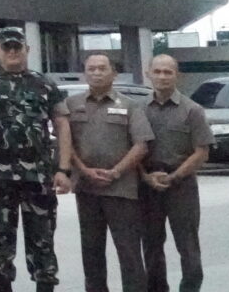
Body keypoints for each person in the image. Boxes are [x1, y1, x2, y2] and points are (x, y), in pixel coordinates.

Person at [0, 26, 74, 292]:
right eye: (6, 47)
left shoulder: (45, 84)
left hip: (38, 179)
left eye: (17, 47)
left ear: (27, 50)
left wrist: (63, 169)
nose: (12, 52)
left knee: (43, 246)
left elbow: (62, 125)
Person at [68, 53, 153, 292]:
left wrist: (115, 172)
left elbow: (142, 145)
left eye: (102, 68)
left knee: (129, 252)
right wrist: (83, 170)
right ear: (85, 73)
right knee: (91, 251)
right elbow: (66, 142)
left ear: (113, 73)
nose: (96, 73)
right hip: (87, 190)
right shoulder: (72, 105)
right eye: (91, 68)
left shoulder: (130, 105)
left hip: (122, 190)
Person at [139, 54, 213, 292]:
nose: (162, 77)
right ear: (148, 73)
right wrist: (145, 176)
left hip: (181, 185)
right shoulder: (139, 110)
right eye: (157, 71)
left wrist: (175, 177)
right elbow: (133, 148)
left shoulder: (193, 110)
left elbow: (201, 152)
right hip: (148, 184)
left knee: (187, 244)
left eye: (168, 72)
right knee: (151, 244)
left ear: (177, 76)